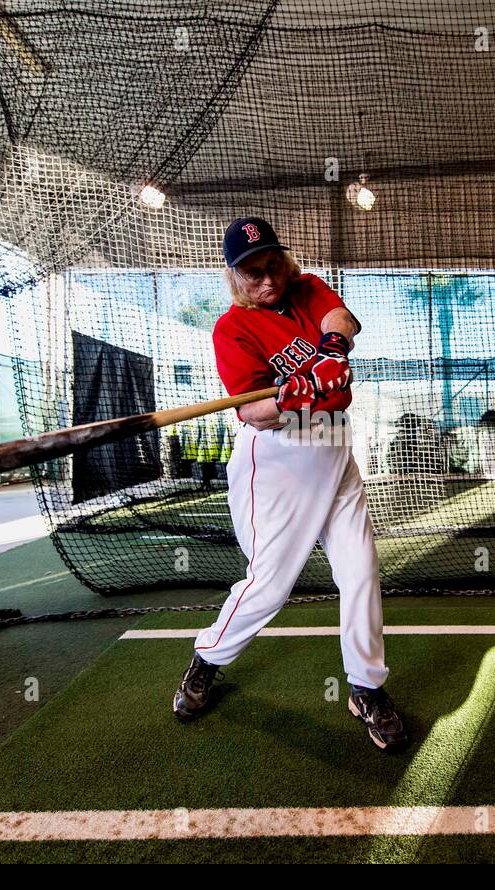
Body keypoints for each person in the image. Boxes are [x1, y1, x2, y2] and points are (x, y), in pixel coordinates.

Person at [171, 217, 408, 751]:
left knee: (361, 569)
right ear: (235, 277)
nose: (268, 280)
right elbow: (253, 412)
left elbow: (344, 319)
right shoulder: (232, 328)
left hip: (334, 446)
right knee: (270, 584)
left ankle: (366, 687)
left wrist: (330, 349)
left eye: (272, 264)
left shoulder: (306, 288)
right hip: (279, 457)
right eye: (252, 273)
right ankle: (207, 658)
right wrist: (293, 392)